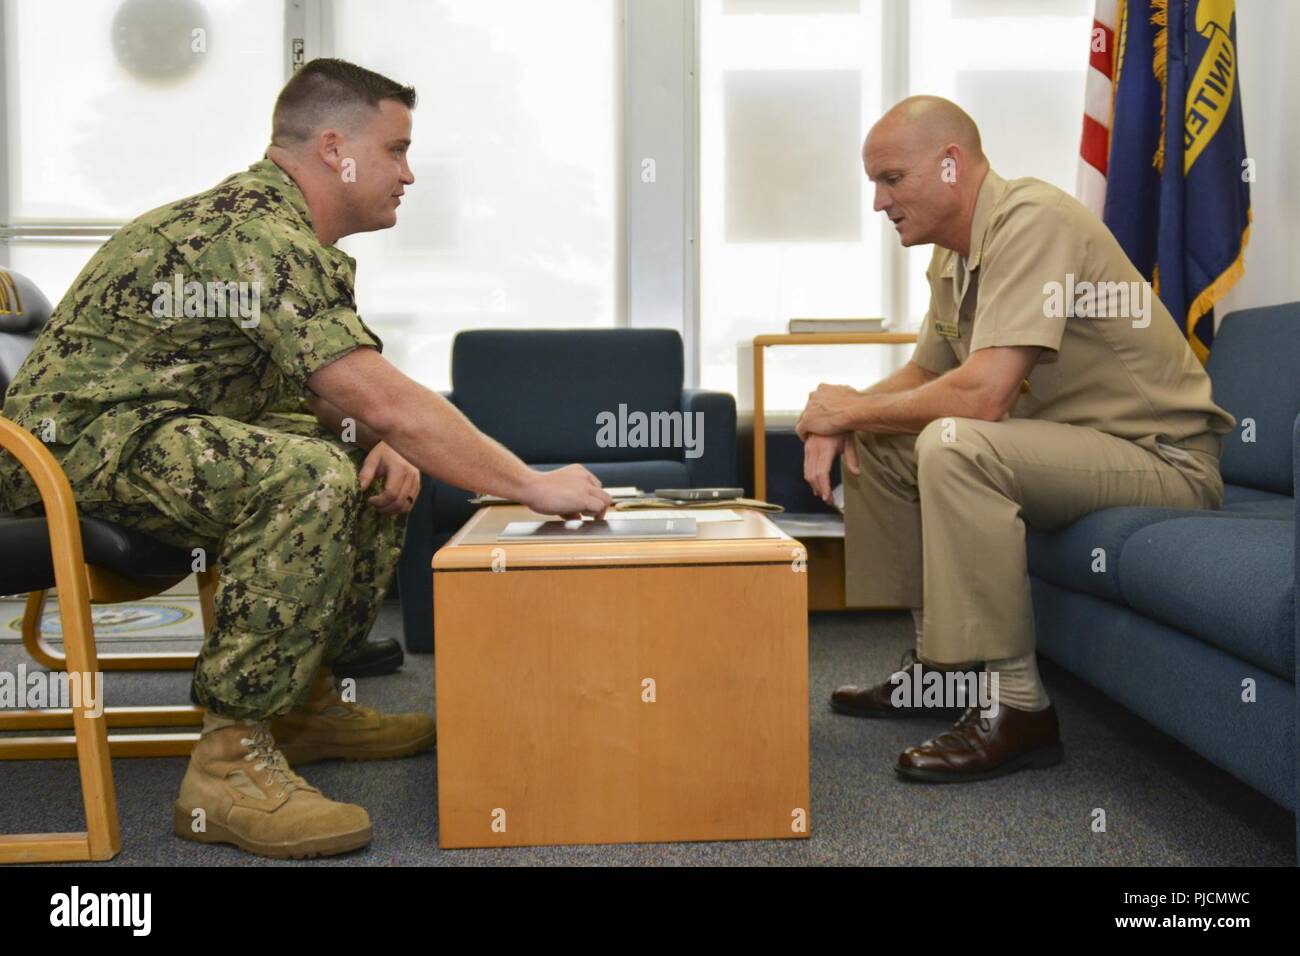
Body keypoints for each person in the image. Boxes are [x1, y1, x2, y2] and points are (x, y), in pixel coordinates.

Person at [0, 58, 612, 858]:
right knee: (316, 473)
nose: (409, 173)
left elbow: (345, 403)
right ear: (335, 149)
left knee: (368, 459)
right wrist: (531, 484)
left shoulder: (279, 235)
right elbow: (381, 394)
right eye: (396, 150)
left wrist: (378, 437)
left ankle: (304, 706)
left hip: (152, 430)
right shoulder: (255, 235)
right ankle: (225, 768)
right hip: (67, 454)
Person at [800, 96, 1233, 783]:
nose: (879, 202)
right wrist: (832, 413)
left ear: (950, 165)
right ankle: (937, 673)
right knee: (887, 442)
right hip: (1075, 449)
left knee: (954, 440)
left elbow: (983, 394)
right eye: (874, 184)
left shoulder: (1032, 220)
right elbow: (925, 372)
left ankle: (1019, 708)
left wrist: (846, 414)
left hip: (1163, 460)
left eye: (890, 179)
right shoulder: (951, 257)